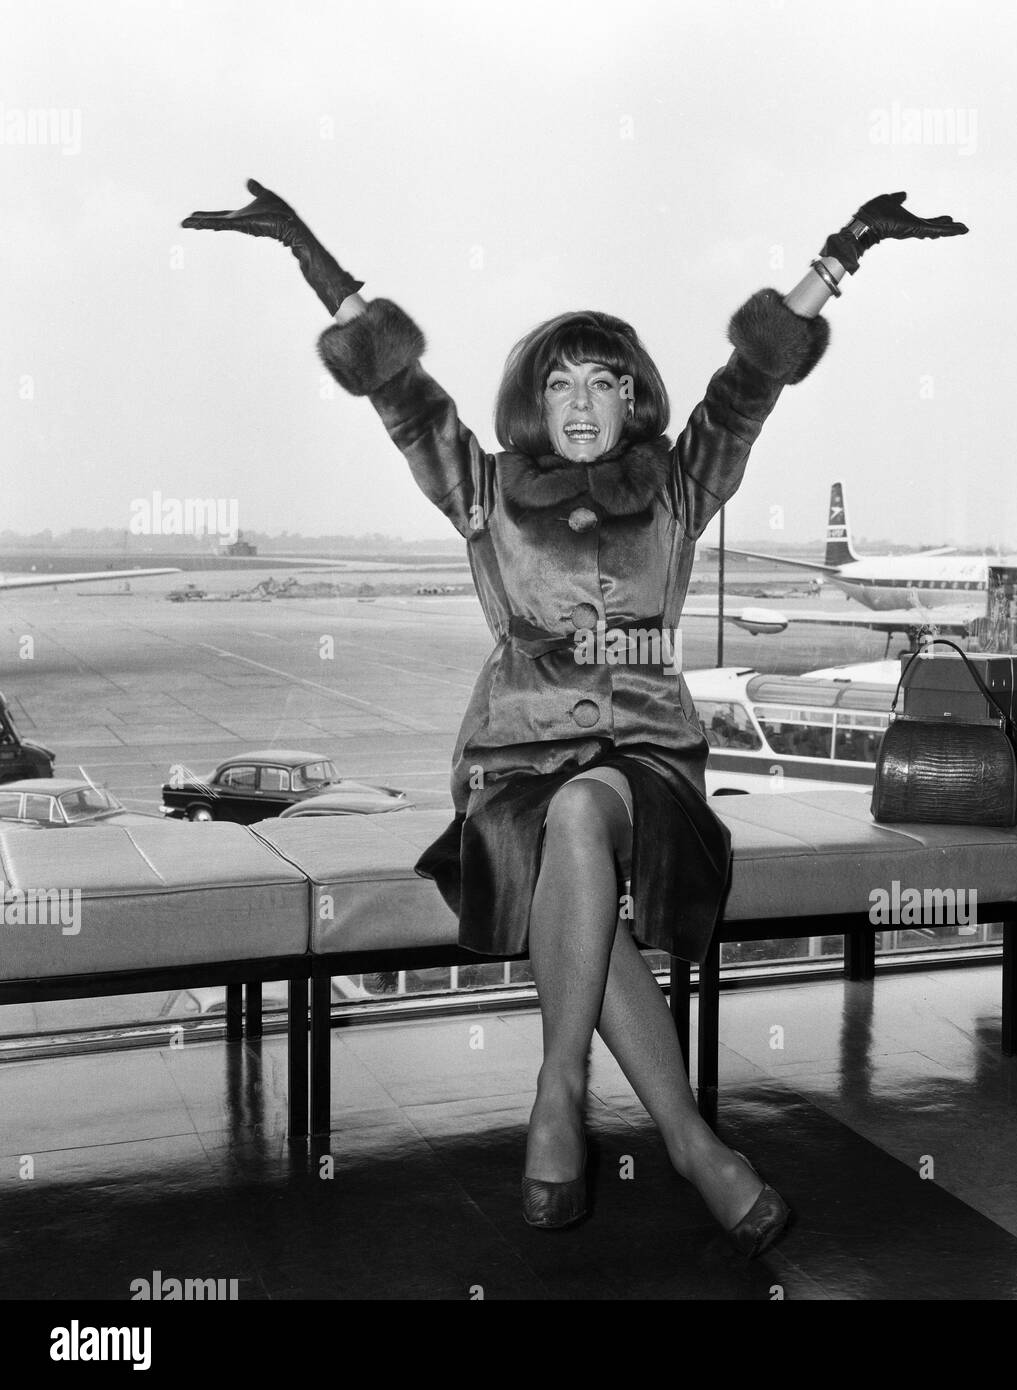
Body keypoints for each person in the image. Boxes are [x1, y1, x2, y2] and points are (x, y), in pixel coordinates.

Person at [181, 179, 966, 1256]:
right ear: (534, 404)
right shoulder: (484, 489)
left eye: (604, 381)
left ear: (632, 398)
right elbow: (399, 390)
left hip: (644, 758)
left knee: (589, 811)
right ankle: (689, 1140)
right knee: (566, 829)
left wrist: (845, 249)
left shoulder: (679, 487)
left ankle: (558, 1089)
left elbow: (749, 384)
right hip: (513, 762)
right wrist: (308, 252)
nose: (584, 400)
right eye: (561, 383)